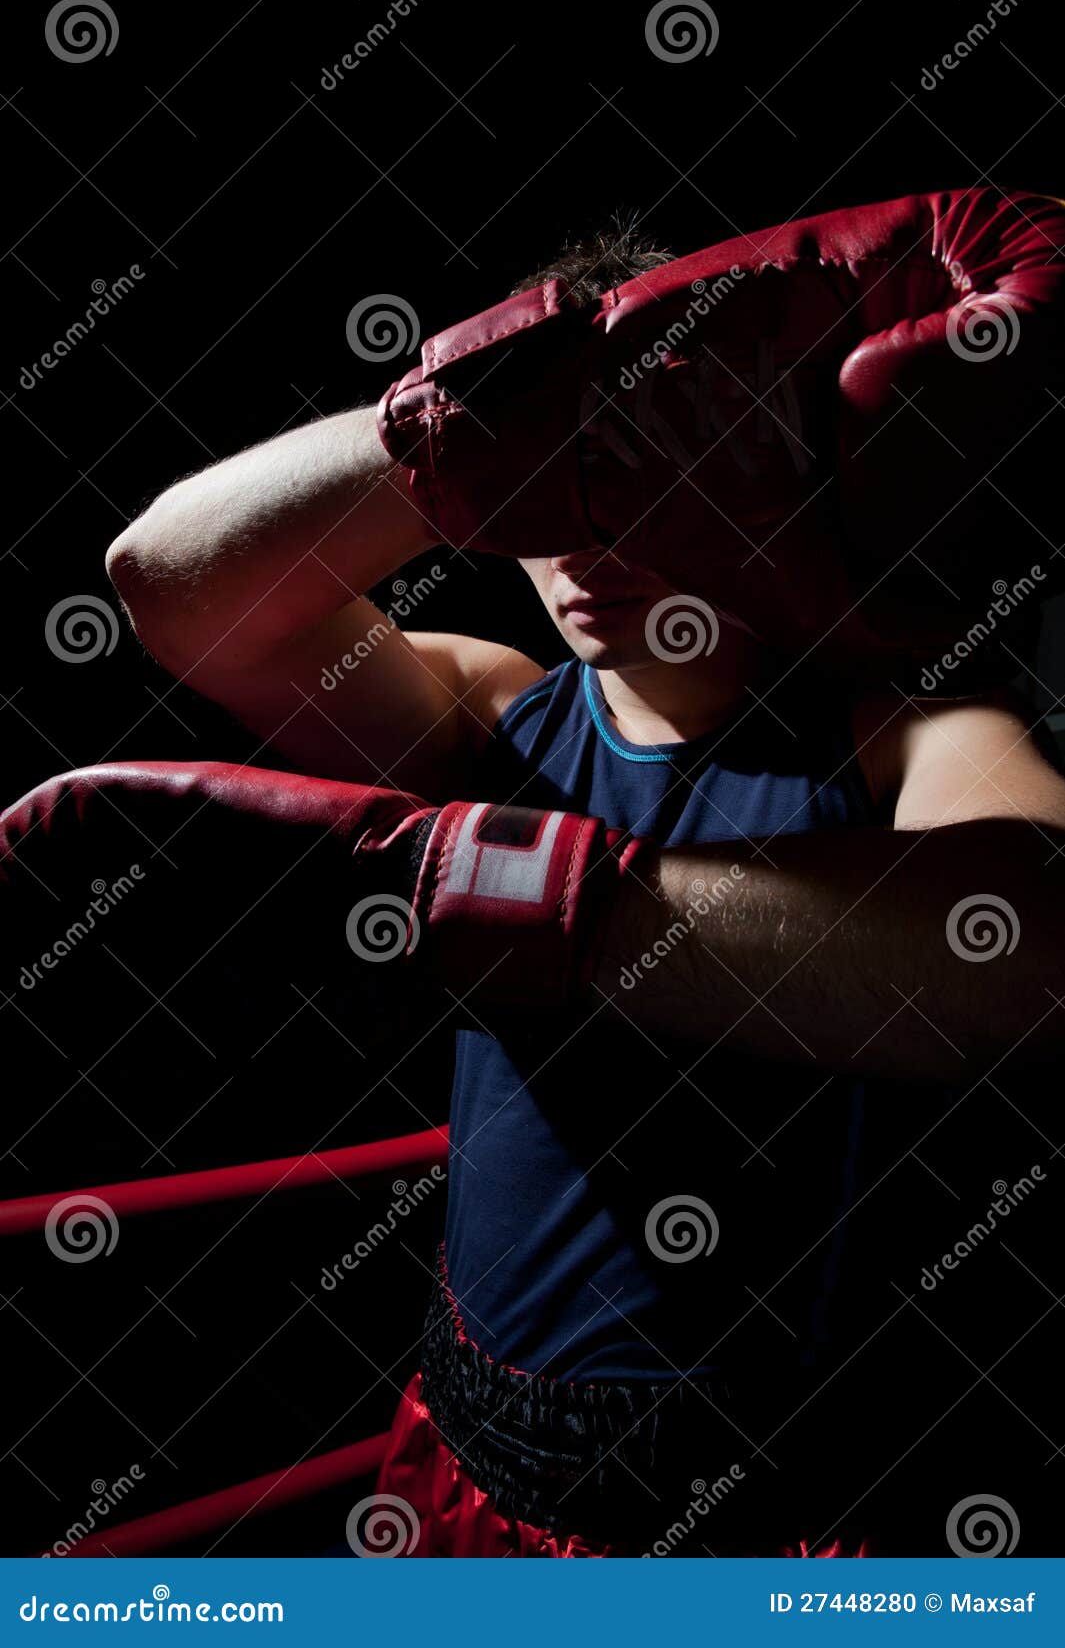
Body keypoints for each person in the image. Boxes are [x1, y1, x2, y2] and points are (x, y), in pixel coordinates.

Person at [93, 225, 1065, 1556]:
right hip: (463, 1455)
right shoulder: (488, 713)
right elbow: (170, 580)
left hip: (755, 1520)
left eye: (646, 465)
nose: (593, 529)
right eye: (551, 479)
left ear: (751, 456)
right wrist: (449, 423)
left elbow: (1024, 950)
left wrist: (506, 895)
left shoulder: (897, 725)